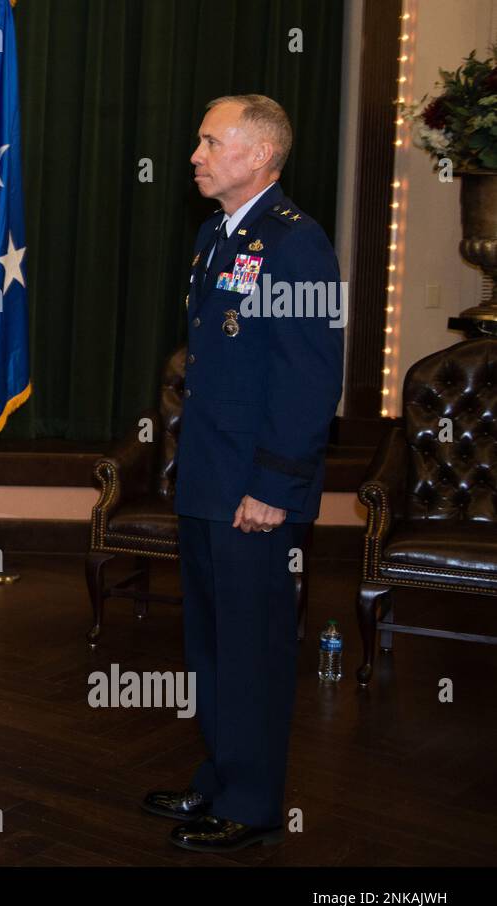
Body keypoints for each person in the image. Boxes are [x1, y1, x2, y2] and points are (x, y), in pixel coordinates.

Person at [142, 94, 343, 852]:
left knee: (254, 649)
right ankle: (219, 777)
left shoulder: (298, 245)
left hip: (255, 491)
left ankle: (254, 802)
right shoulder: (215, 235)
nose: (194, 155)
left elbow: (311, 378)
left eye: (208, 141)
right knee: (210, 644)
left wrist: (275, 485)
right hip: (207, 481)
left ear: (259, 156)